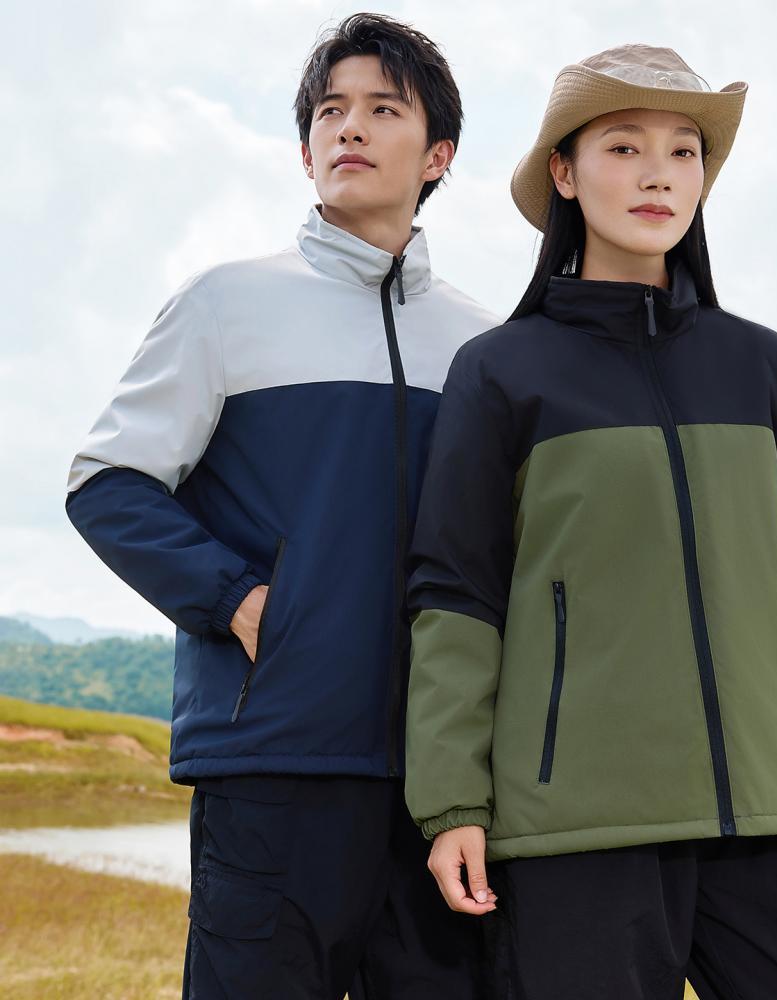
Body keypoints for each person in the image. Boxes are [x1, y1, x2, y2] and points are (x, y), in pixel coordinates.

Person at [404, 43, 777, 999]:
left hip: (765, 817)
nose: (658, 175)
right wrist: (453, 800)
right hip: (576, 829)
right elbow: (457, 596)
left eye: (684, 151)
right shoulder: (502, 372)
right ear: (565, 172)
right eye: (625, 146)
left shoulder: (770, 371)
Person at [64, 12, 501, 999]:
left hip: (441, 784)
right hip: (271, 765)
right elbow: (107, 484)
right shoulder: (226, 303)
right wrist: (243, 602)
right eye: (330, 111)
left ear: (438, 154)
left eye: (382, 108)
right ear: (306, 150)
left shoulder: (484, 347)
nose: (350, 126)